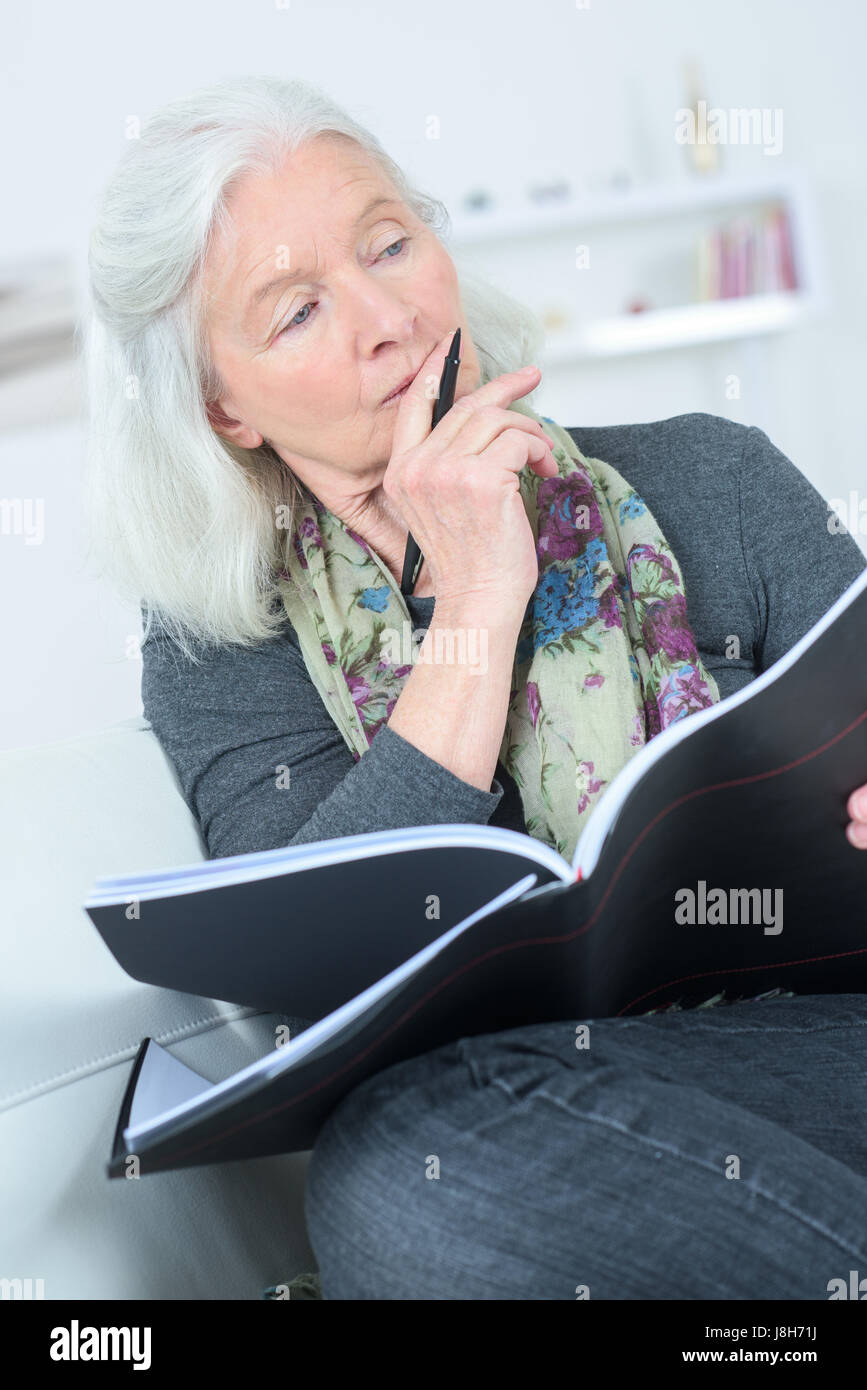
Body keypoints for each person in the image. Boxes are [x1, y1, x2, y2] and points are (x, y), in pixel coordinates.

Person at [83, 75, 867, 1299]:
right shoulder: (220, 651)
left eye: (390, 243)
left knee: (417, 1155)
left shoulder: (717, 478)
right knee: (407, 1166)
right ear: (221, 405)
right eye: (295, 311)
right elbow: (317, 966)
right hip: (520, 1133)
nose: (385, 317)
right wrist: (482, 597)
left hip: (822, 1047)